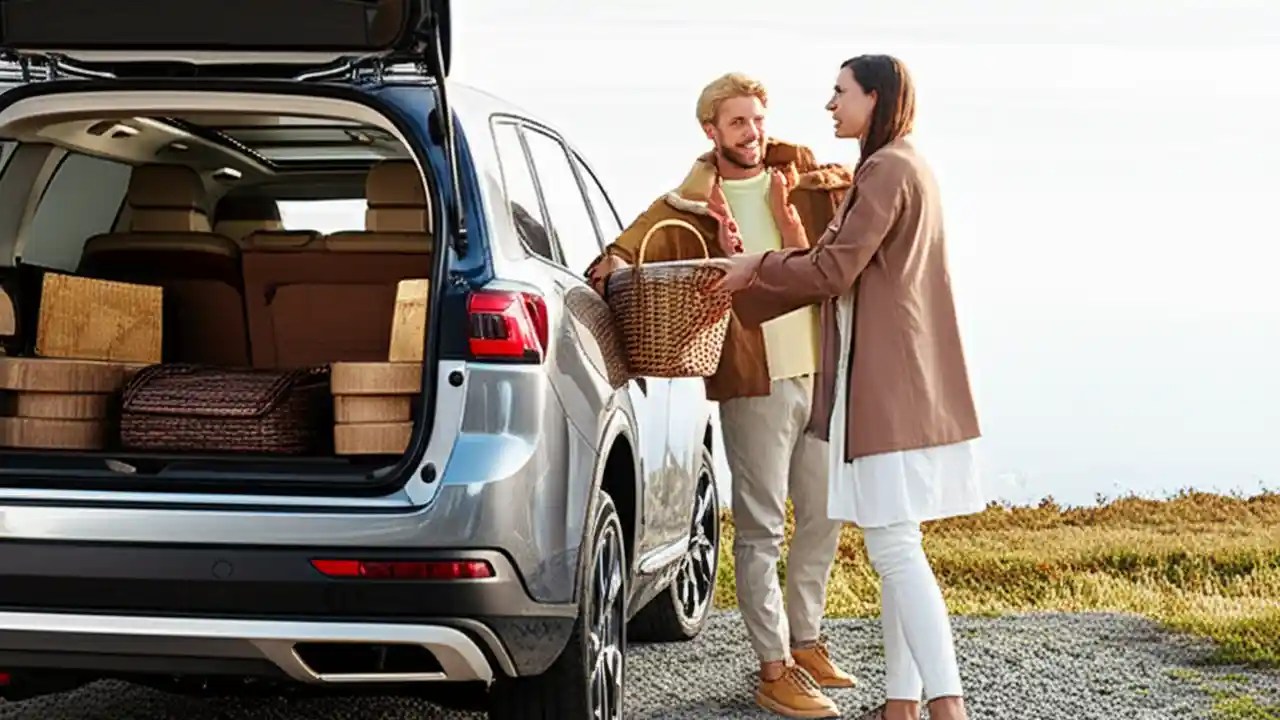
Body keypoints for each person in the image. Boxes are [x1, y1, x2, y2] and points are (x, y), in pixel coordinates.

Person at [710, 55, 984, 720]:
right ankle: (902, 703)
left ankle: (946, 705)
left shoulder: (886, 168)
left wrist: (753, 268)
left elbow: (834, 270)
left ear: (876, 97)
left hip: (886, 387)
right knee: (900, 543)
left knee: (893, 545)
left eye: (841, 92)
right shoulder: (910, 162)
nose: (831, 104)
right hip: (910, 381)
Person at [585, 72, 858, 719]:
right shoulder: (683, 208)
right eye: (738, 123)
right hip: (751, 381)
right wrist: (626, 273)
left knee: (824, 515)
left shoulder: (806, 179)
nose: (753, 133)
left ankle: (806, 641)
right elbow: (614, 262)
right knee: (761, 529)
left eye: (759, 120)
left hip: (819, 373)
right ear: (711, 130)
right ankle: (772, 669)